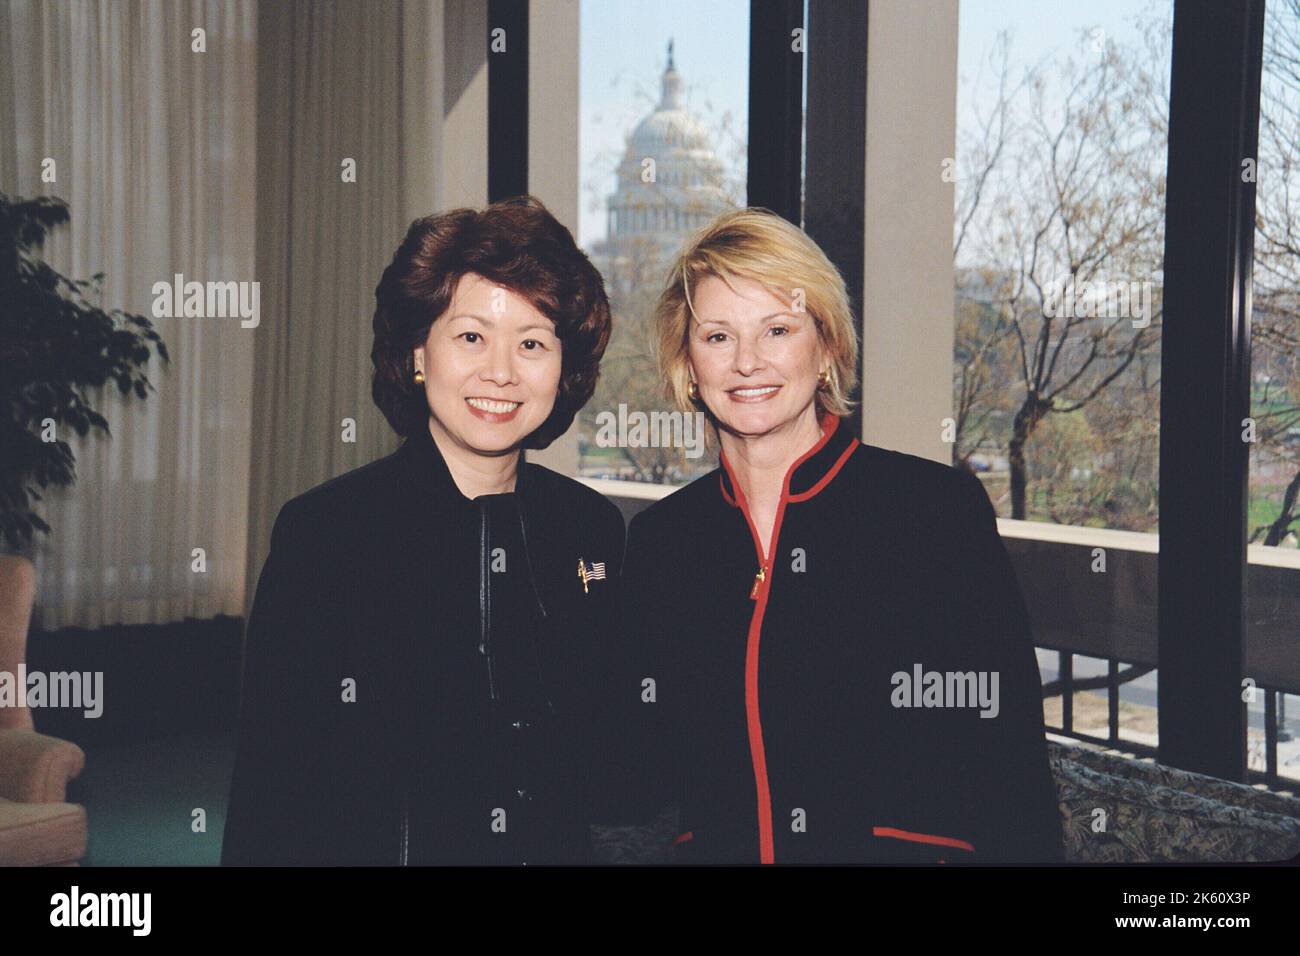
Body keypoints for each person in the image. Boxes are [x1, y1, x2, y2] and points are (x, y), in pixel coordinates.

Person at [611, 207, 1065, 864]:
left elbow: (1011, 759)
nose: (746, 363)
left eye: (777, 329)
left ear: (825, 346)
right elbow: (635, 777)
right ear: (688, 362)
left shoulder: (933, 513)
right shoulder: (662, 543)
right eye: (717, 337)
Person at [221, 195, 626, 865]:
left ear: (564, 370)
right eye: (471, 337)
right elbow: (273, 785)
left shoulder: (590, 531)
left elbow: (610, 768)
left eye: (531, 343)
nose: (500, 372)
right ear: (417, 353)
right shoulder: (326, 534)